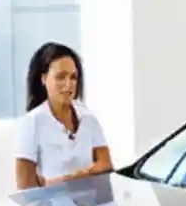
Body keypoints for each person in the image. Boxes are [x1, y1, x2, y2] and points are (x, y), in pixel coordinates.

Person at [15, 42, 113, 189]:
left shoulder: (88, 118)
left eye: (73, 77)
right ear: (43, 79)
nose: (69, 85)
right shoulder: (31, 123)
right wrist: (89, 173)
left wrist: (66, 180)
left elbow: (106, 166)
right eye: (60, 77)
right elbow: (25, 187)